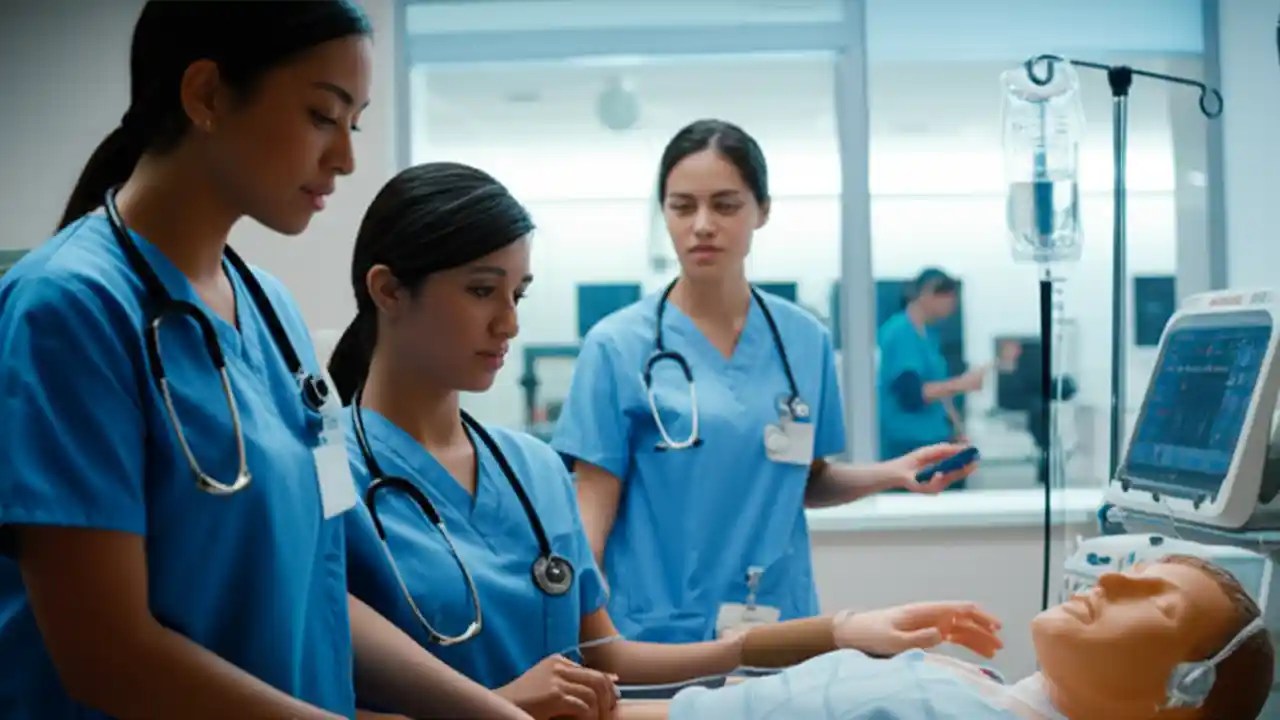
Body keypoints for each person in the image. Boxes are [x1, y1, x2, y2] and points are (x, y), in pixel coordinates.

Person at [329, 162, 1005, 720]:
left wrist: (836, 638)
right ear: (388, 290)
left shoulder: (530, 468)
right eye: (482, 291)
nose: (509, 323)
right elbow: (296, 689)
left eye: (518, 294)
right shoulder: (328, 472)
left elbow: (608, 660)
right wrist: (498, 710)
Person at [0, 4, 527, 719]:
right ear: (208, 95)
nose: (344, 157)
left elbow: (322, 583)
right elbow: (108, 656)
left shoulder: (274, 316)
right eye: (322, 115)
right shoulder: (69, 308)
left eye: (356, 124)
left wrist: (488, 714)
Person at [549, 119, 978, 646]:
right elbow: (592, 505)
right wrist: (571, 631)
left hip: (783, 619)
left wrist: (891, 473)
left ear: (763, 210)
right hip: (659, 629)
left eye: (725, 205)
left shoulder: (804, 340)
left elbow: (803, 478)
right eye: (682, 206)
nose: (702, 224)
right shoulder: (617, 347)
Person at [619, 554, 1276, 720]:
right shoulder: (983, 687)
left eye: (1153, 602)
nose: (1107, 581)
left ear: (1182, 692)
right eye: (1130, 571)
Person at [877, 268, 990, 481]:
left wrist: (957, 429)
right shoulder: (901, 333)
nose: (951, 305)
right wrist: (962, 384)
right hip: (908, 443)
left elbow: (938, 389)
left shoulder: (928, 335)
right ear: (926, 294)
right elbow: (911, 394)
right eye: (946, 297)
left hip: (934, 438)